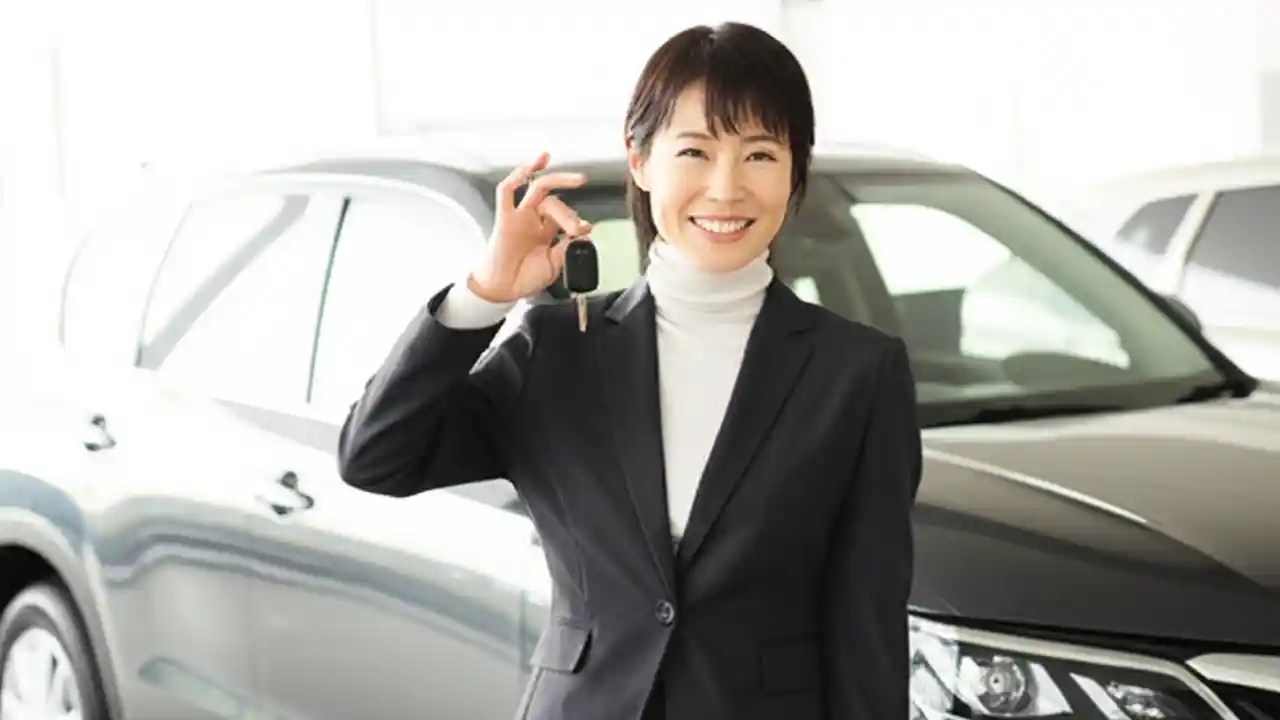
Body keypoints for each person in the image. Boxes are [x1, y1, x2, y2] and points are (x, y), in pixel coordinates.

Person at [337, 20, 922, 720]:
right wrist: (485, 292)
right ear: (640, 162)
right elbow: (376, 458)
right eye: (694, 152)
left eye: (760, 154)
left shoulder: (857, 373)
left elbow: (867, 626)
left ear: (796, 169)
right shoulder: (557, 350)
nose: (726, 188)